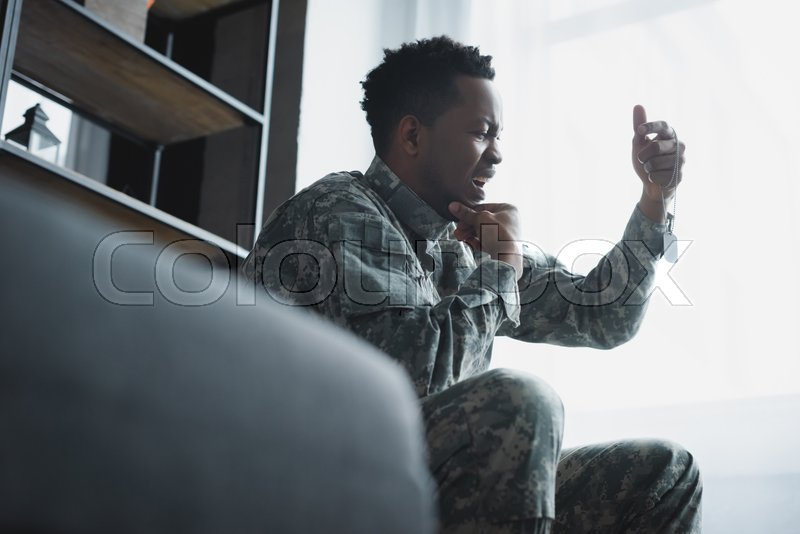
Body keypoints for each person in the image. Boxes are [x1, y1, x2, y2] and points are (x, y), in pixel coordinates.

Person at [243, 36, 701, 534]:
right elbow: (416, 385)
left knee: (663, 473)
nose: (498, 155)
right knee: (518, 401)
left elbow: (604, 314)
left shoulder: (462, 242)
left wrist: (655, 199)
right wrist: (500, 268)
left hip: (406, 477)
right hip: (313, 485)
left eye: (499, 136)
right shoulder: (339, 210)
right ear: (412, 136)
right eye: (482, 133)